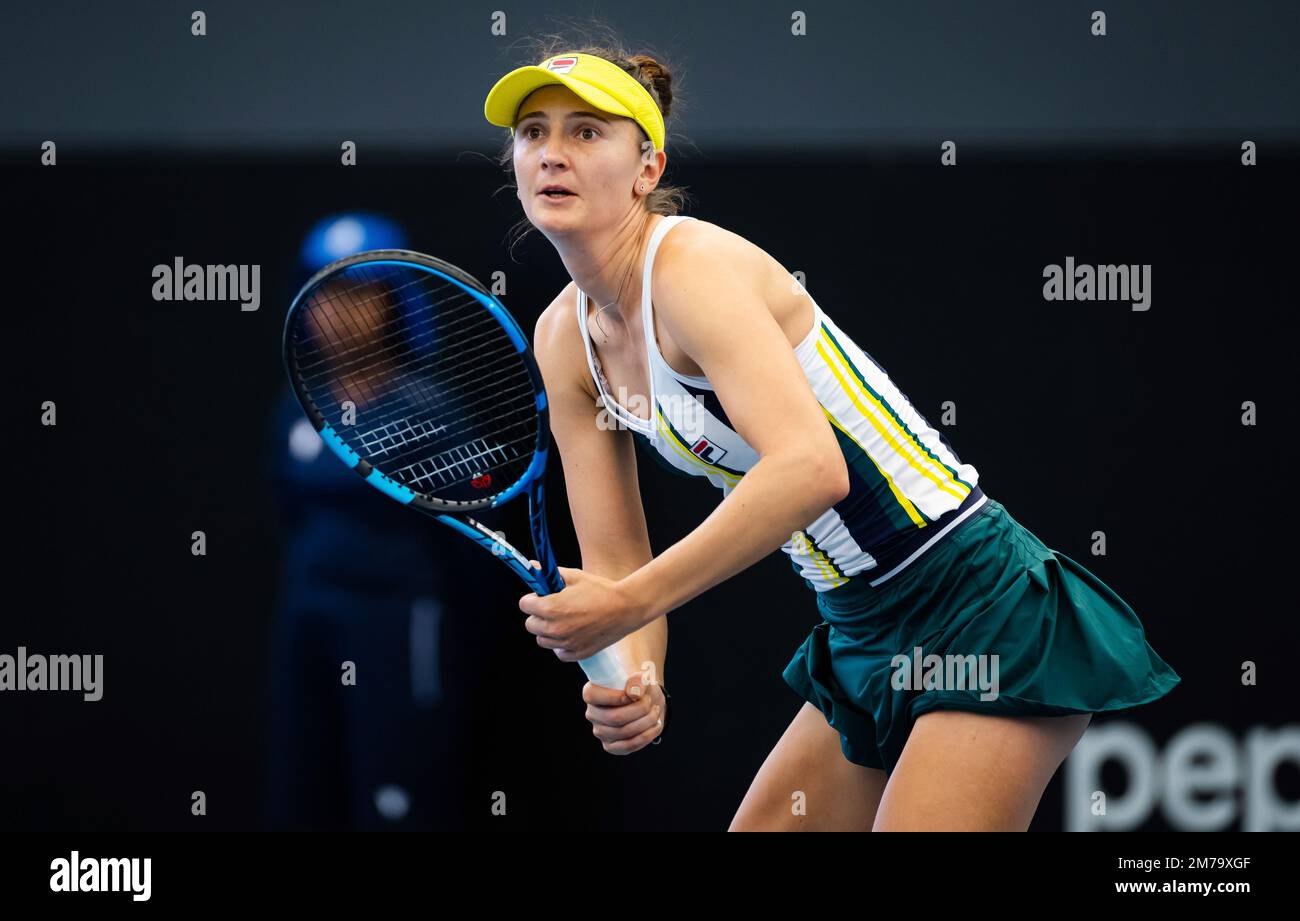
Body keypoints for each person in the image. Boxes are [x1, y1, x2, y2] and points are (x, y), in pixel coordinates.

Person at [484, 42, 1180, 831]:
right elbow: (618, 566)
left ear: (647, 168)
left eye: (585, 132)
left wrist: (625, 604)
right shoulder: (562, 342)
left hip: (979, 603)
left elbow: (810, 468)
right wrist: (638, 672)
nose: (551, 153)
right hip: (859, 627)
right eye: (533, 132)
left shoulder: (690, 270)